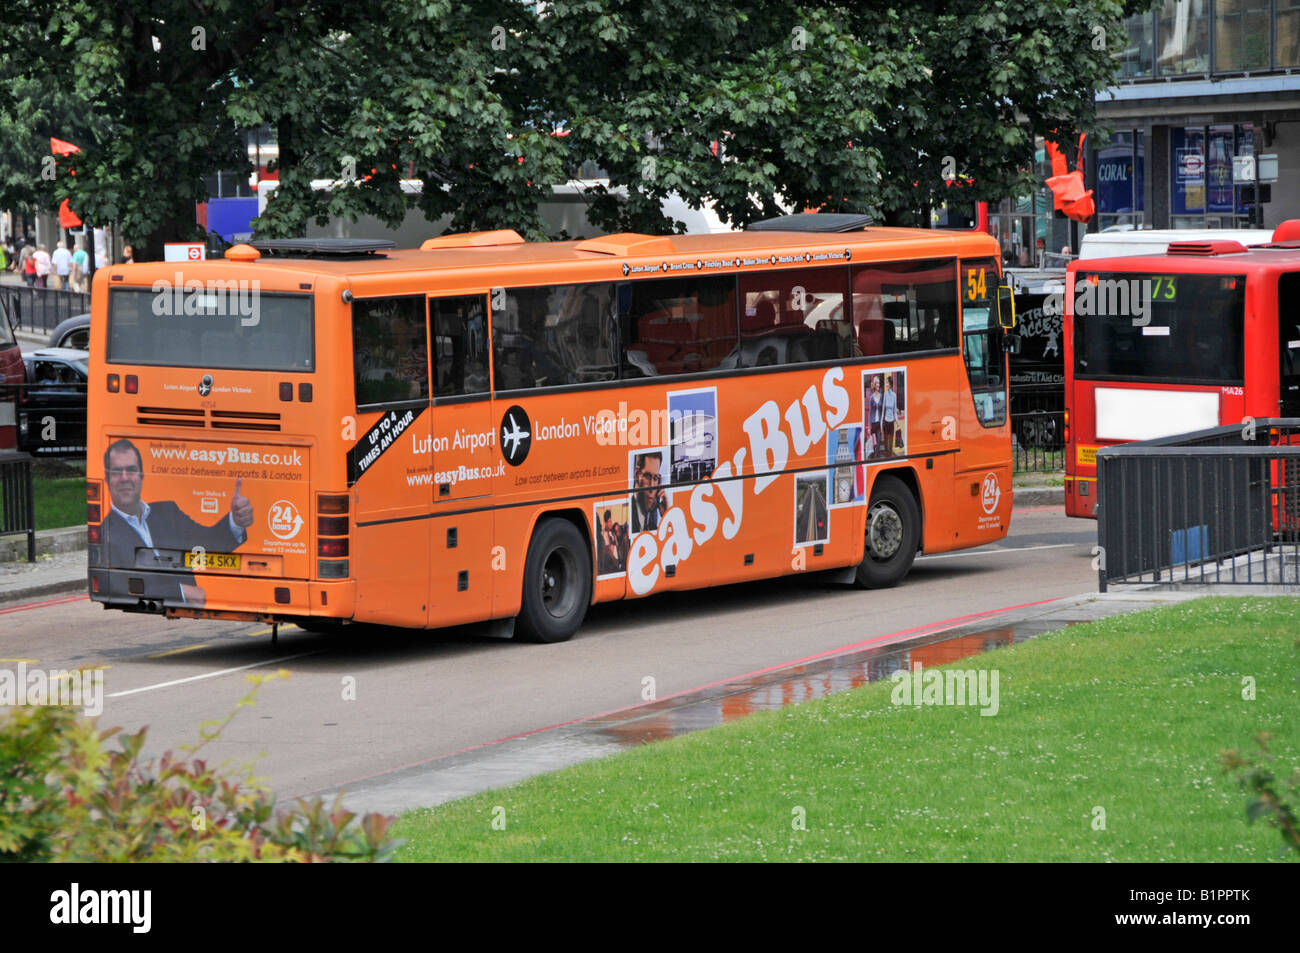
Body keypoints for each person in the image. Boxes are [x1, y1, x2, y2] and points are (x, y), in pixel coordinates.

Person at [103, 438, 255, 606]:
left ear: (141, 475)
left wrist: (235, 522)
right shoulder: (106, 531)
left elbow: (204, 545)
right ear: (106, 478)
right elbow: (116, 583)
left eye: (131, 470)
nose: (125, 478)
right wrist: (180, 593)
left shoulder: (168, 512)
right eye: (116, 471)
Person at [631, 451, 667, 533]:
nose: (652, 486)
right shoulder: (629, 514)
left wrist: (665, 516)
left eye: (655, 478)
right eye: (647, 476)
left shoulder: (652, 521)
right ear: (637, 474)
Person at [882, 373, 899, 455]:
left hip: (891, 421)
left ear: (890, 384)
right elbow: (883, 409)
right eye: (886, 382)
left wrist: (898, 421)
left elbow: (894, 409)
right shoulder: (885, 394)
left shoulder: (894, 395)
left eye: (887, 383)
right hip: (886, 420)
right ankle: (886, 453)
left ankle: (889, 453)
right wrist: (882, 422)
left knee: (891, 441)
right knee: (886, 439)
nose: (886, 384)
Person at [867, 374, 884, 458]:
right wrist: (869, 427)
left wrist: (881, 423)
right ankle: (875, 457)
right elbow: (870, 413)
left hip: (878, 423)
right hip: (873, 423)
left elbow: (882, 411)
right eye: (876, 383)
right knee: (874, 443)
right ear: (874, 384)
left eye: (879, 383)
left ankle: (877, 458)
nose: (878, 385)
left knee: (879, 441)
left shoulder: (881, 396)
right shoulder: (871, 398)